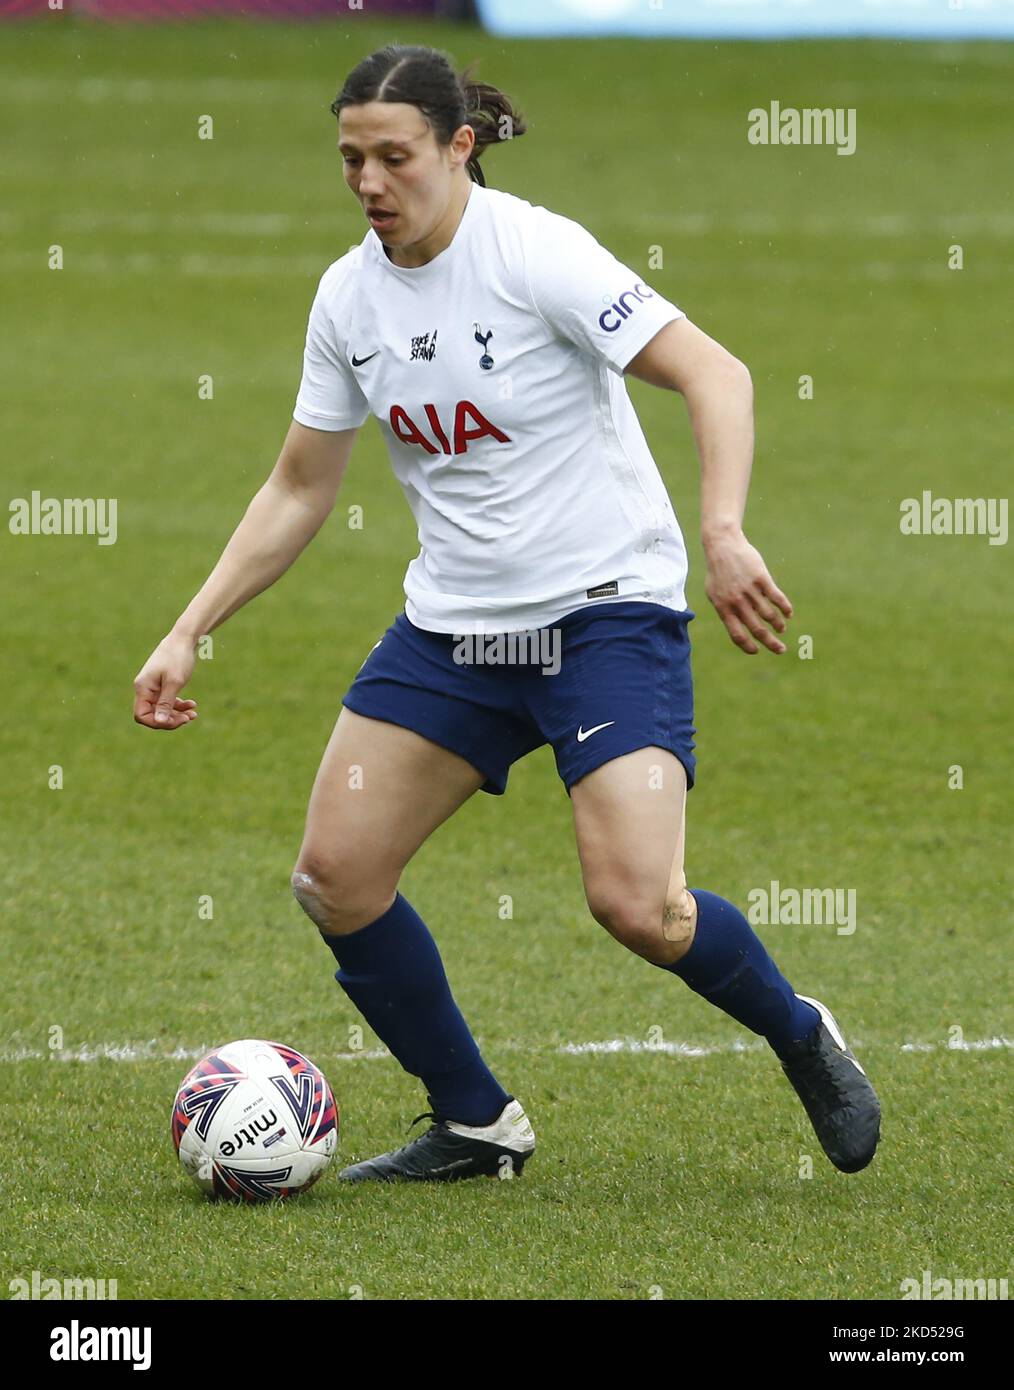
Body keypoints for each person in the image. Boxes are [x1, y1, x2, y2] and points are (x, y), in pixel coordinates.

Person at [133, 44, 880, 1185]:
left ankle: (799, 1030)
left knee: (639, 905)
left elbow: (716, 373)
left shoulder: (537, 253)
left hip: (605, 615)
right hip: (457, 632)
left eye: (395, 157)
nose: (371, 183)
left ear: (459, 146)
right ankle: (478, 1122)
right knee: (335, 875)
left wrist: (723, 533)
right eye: (351, 160)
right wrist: (192, 625)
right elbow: (299, 485)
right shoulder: (348, 299)